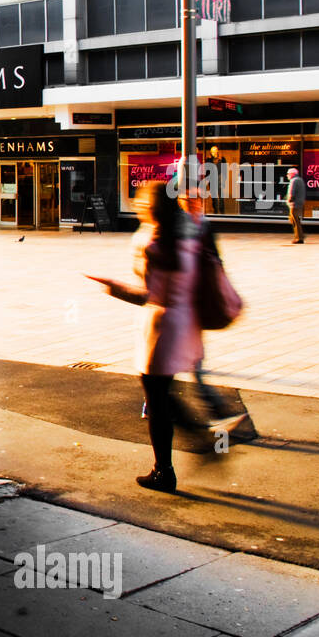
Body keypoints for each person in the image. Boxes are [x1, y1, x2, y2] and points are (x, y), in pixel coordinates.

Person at [86, 181, 203, 492]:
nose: (136, 205)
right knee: (164, 393)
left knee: (156, 399)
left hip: (160, 325)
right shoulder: (185, 238)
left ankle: (164, 470)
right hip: (182, 319)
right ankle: (195, 436)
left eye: (141, 201)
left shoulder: (152, 244)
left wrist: (113, 287)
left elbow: (147, 295)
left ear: (151, 207)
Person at [285, 167, 306, 244]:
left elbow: (291, 192)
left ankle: (299, 238)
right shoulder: (300, 180)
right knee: (293, 219)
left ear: (292, 174)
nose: (287, 175)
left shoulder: (293, 181)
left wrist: (289, 200)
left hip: (294, 204)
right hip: (300, 203)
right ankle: (300, 235)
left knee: (295, 221)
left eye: (288, 174)